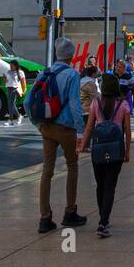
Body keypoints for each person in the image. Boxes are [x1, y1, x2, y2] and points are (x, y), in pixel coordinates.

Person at [27, 37, 88, 233]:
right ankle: (70, 211)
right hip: (66, 128)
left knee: (47, 171)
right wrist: (81, 130)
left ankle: (45, 217)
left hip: (47, 127)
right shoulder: (72, 74)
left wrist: (37, 124)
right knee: (72, 166)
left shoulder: (44, 73)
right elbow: (74, 105)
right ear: (71, 55)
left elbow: (28, 102)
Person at [78, 71, 132, 238]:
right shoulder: (123, 105)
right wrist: (127, 151)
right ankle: (104, 221)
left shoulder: (96, 103)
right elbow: (127, 132)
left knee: (100, 185)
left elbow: (89, 127)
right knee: (110, 186)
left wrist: (83, 145)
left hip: (98, 148)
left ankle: (103, 216)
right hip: (116, 149)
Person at [3, 60, 26, 126]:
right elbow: (6, 81)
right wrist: (5, 78)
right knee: (11, 104)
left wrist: (23, 90)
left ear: (15, 66)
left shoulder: (20, 72)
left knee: (10, 103)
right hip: (8, 87)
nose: (10, 67)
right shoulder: (8, 71)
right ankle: (19, 116)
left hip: (15, 88)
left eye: (11, 65)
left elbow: (23, 82)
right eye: (10, 65)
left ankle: (11, 119)